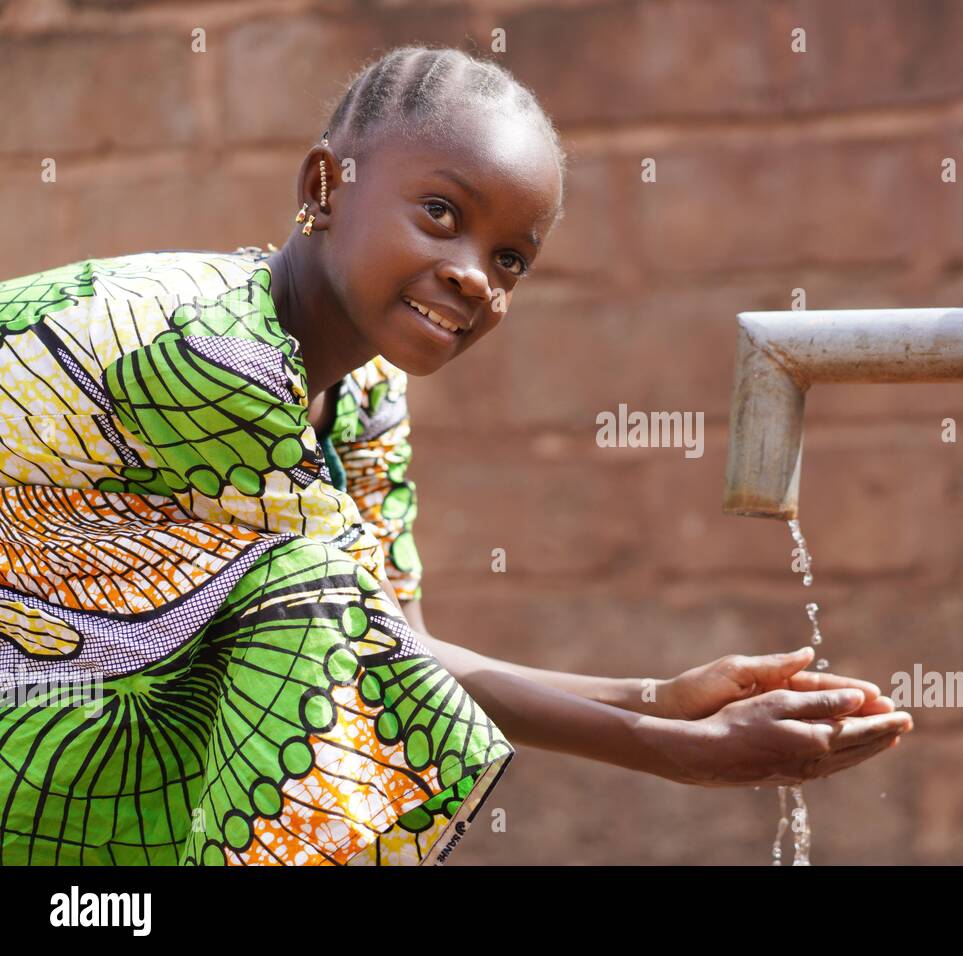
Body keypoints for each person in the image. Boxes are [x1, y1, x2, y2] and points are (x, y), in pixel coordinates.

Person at [0, 45, 911, 866]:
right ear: (324, 186)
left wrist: (663, 698)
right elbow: (352, 643)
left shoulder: (359, 392)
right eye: (441, 213)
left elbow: (404, 645)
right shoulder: (214, 351)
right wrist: (678, 754)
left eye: (511, 258)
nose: (475, 274)